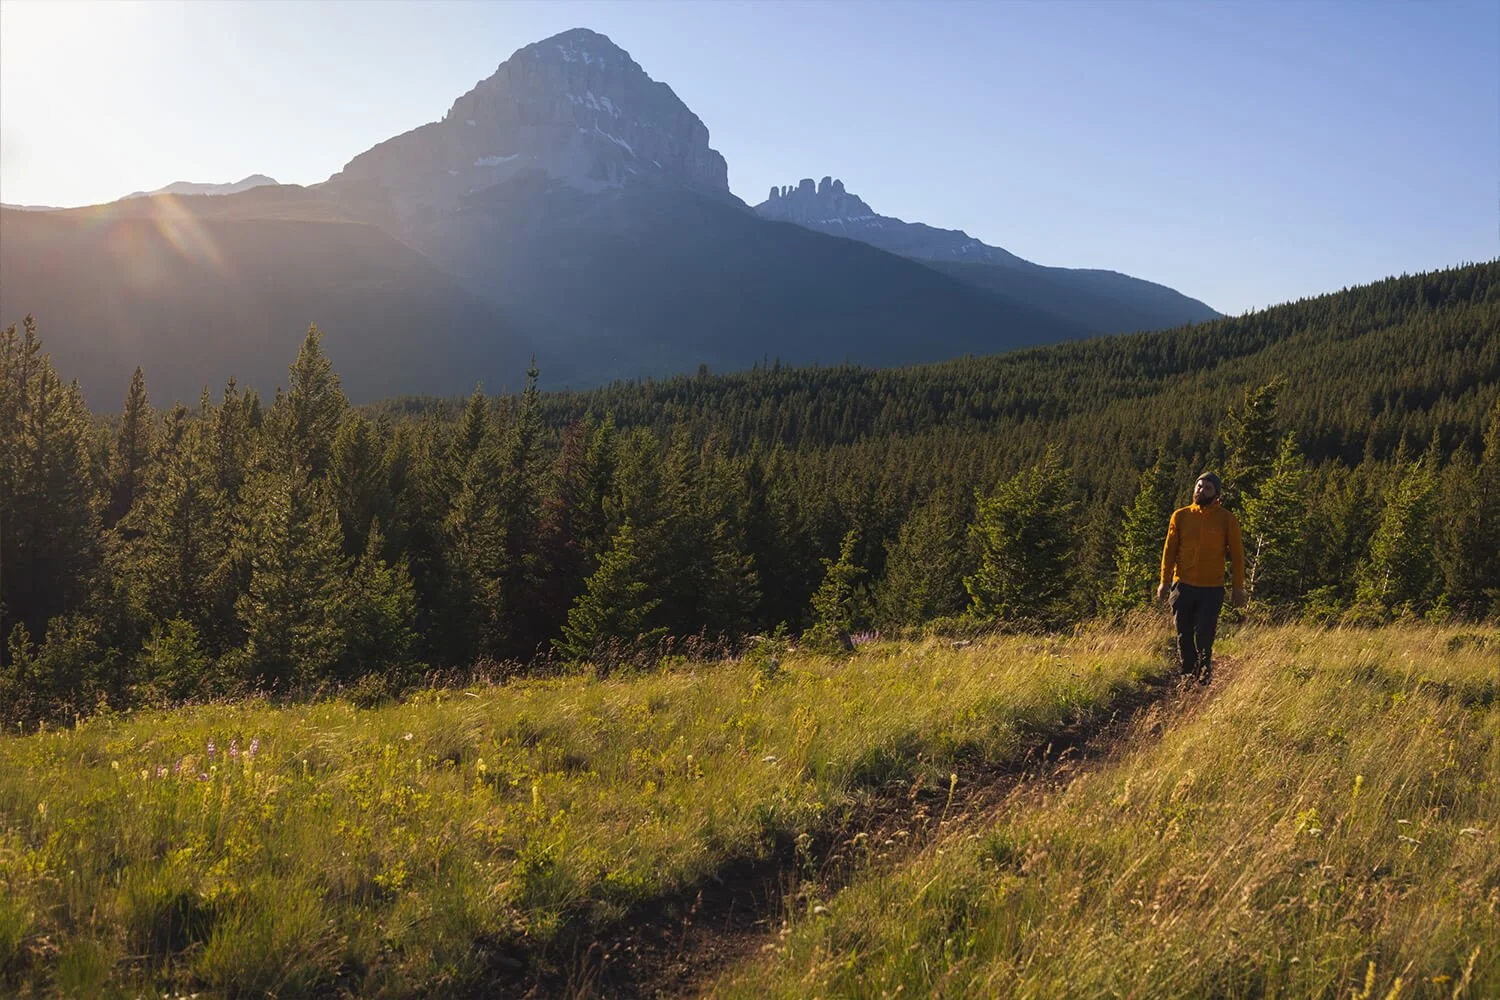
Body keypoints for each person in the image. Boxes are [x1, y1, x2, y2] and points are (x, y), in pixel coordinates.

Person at [1156, 472, 1247, 684]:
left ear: (1216, 494)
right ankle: (1188, 674)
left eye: (1207, 488)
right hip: (1183, 586)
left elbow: (1237, 555)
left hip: (1211, 588)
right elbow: (1169, 551)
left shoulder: (1227, 519)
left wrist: (1238, 587)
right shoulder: (1180, 516)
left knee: (1204, 634)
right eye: (1199, 486)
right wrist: (1164, 581)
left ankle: (1204, 671)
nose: (1201, 490)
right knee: (1183, 634)